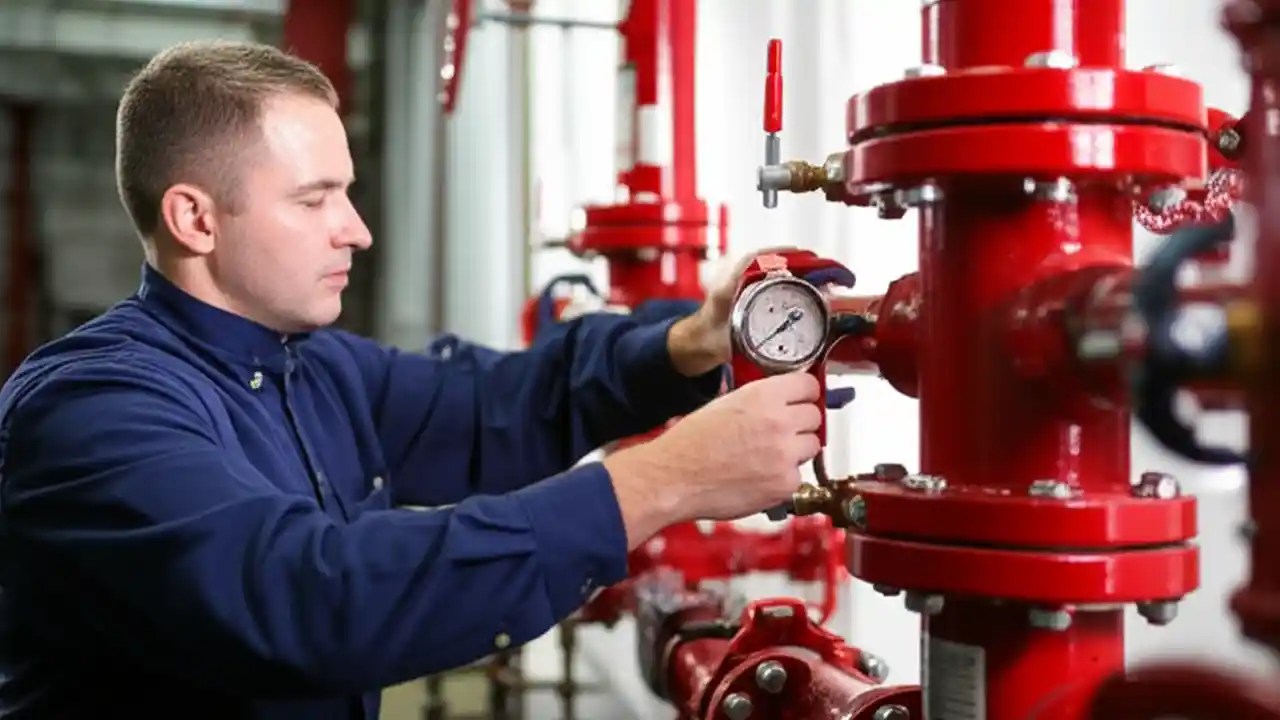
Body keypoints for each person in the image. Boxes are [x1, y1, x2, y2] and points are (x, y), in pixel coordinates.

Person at [0, 41, 823, 718]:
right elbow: (313, 598)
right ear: (195, 219)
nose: (354, 230)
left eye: (347, 194)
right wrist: (666, 482)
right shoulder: (90, 413)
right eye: (315, 199)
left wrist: (692, 340)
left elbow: (502, 407)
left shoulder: (312, 365)